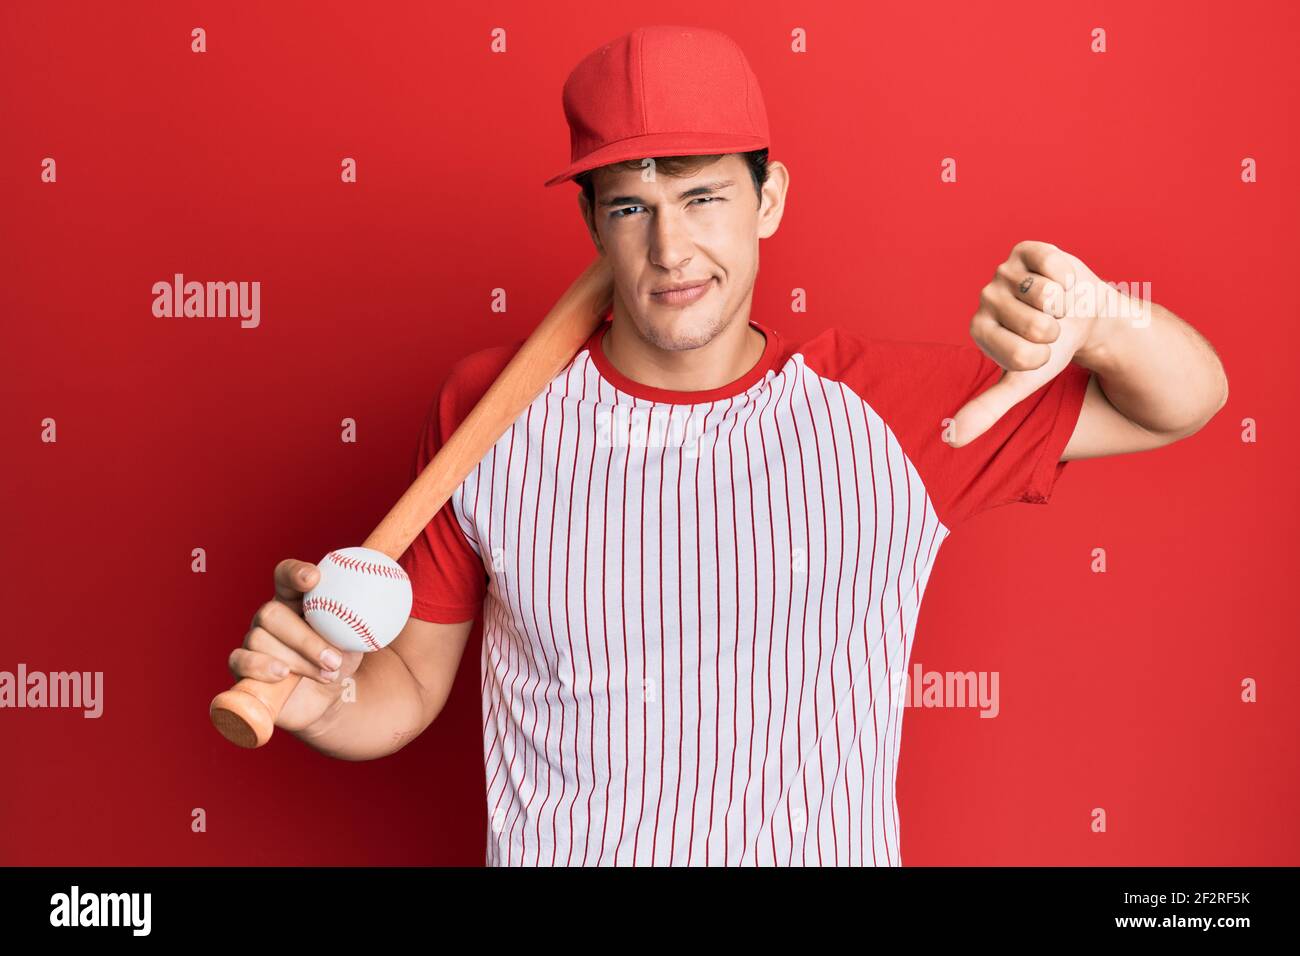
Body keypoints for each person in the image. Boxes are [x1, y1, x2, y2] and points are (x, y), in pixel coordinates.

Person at [225, 26, 1228, 866]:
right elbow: (403, 689)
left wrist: (1100, 320)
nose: (669, 252)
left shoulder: (895, 412)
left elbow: (1181, 400)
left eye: (703, 197)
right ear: (591, 222)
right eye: (631, 206)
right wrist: (328, 697)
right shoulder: (488, 407)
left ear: (771, 198)